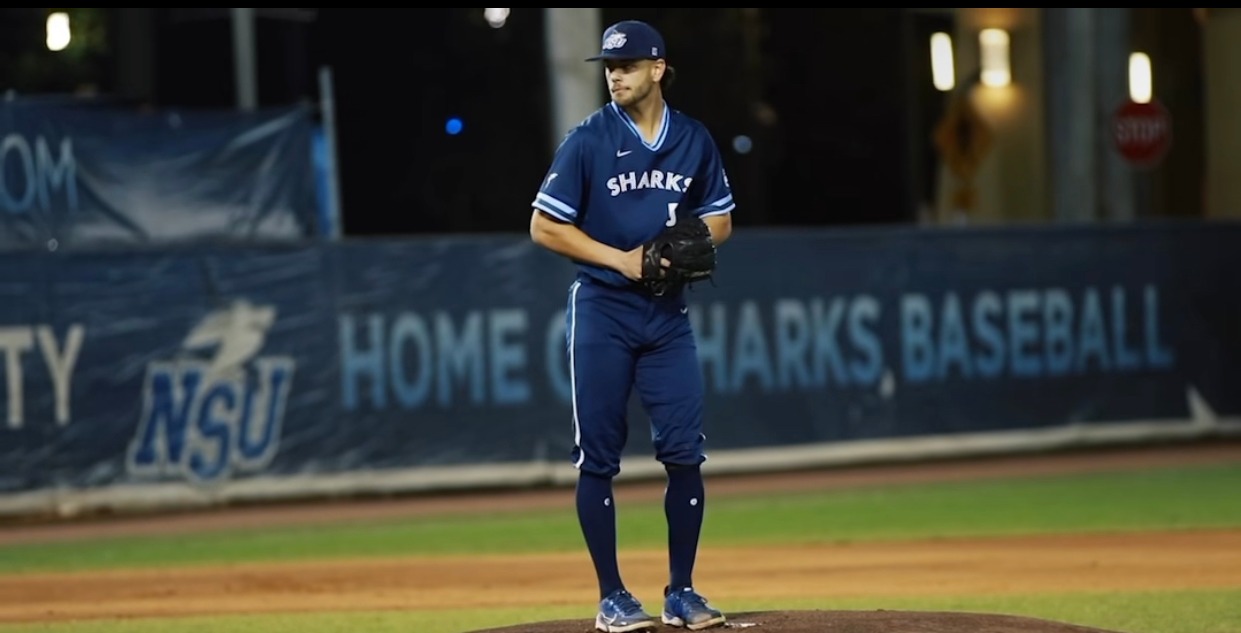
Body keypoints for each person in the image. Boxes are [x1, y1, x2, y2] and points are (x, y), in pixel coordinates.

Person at [528, 18, 735, 633]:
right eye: (610, 66)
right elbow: (544, 226)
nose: (615, 75)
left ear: (658, 69)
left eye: (627, 64)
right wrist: (620, 259)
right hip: (603, 310)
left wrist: (689, 241)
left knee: (685, 453)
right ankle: (612, 597)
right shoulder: (589, 140)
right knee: (598, 457)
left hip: (667, 316)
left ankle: (682, 592)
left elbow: (720, 219)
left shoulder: (692, 139)